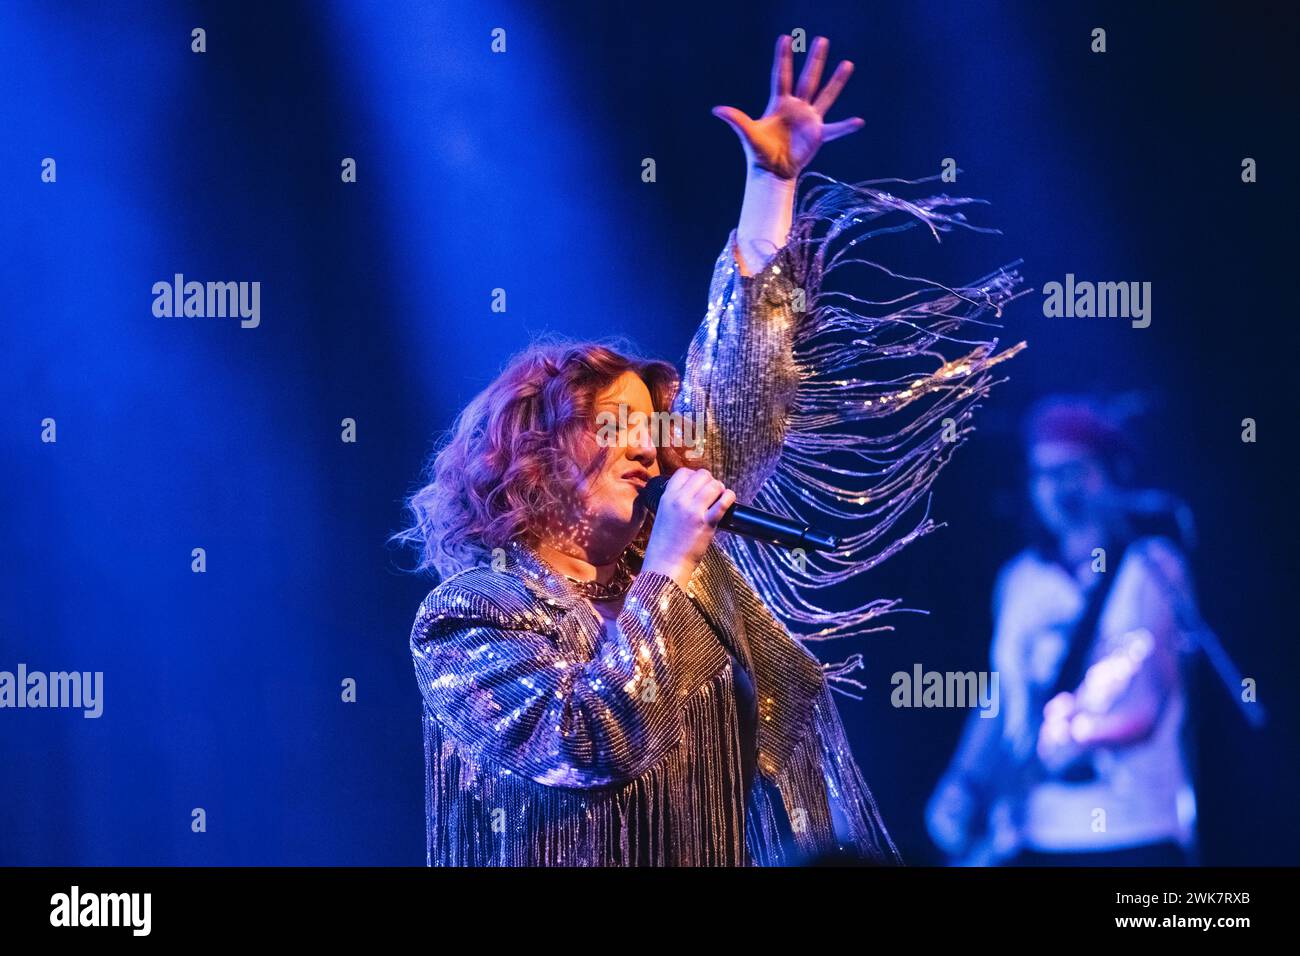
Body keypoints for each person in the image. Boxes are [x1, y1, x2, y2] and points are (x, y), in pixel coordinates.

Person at [399, 35, 1024, 866]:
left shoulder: (689, 574)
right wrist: (667, 568)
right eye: (616, 424)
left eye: (653, 428)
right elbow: (588, 743)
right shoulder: (469, 614)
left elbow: (740, 388)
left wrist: (772, 186)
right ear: (535, 454)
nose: (648, 449)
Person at [926, 397, 1200, 866]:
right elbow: (1001, 699)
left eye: (1071, 470)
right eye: (1043, 474)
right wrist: (964, 778)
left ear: (1109, 473)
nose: (1056, 488)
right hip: (1038, 836)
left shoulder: (1150, 566)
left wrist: (1084, 734)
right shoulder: (1019, 580)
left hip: (1134, 831)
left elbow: (1150, 701)